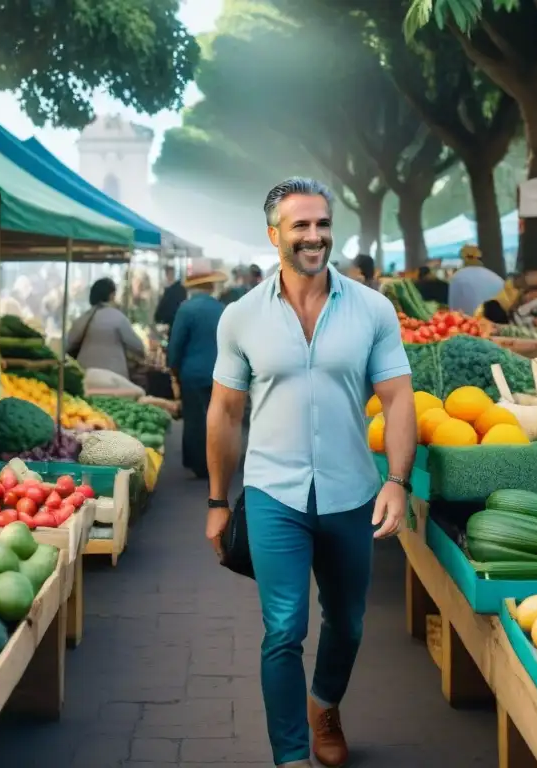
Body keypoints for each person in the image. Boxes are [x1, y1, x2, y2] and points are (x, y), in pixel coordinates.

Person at [206, 177, 415, 768]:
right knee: (283, 629)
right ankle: (291, 756)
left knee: (347, 623)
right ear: (273, 235)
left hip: (352, 491)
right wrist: (218, 502)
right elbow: (225, 413)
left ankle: (324, 705)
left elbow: (399, 399)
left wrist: (397, 481)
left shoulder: (372, 309)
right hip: (273, 492)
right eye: (300, 225)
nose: (315, 235)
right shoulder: (241, 317)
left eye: (322, 224)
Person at [166, 262, 227, 479]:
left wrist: (173, 368)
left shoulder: (186, 309)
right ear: (211, 286)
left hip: (192, 373)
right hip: (221, 372)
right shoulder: (222, 309)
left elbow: (176, 344)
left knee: (194, 418)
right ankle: (218, 461)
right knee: (217, 418)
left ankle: (198, 463)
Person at [66, 277, 146, 380]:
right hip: (114, 377)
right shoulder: (118, 317)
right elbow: (138, 347)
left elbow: (68, 345)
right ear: (111, 295)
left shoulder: (83, 318)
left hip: (86, 375)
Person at [447, 244, 505, 314]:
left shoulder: (458, 277)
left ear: (463, 259)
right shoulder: (495, 277)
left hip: (472, 319)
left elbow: (454, 309)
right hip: (498, 319)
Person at [154, 264, 187, 333]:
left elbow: (163, 306)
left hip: (170, 322)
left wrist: (157, 318)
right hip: (177, 322)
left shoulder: (169, 291)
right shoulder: (181, 289)